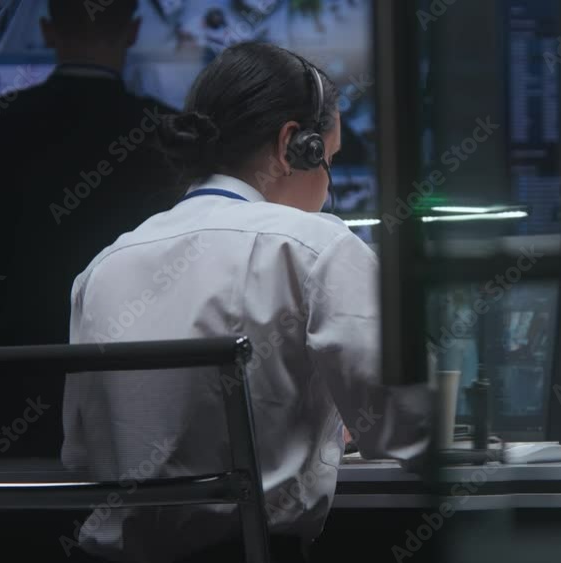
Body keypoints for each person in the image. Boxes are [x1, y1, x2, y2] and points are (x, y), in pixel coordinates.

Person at [61, 42, 429, 563]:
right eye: (330, 160)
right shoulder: (315, 247)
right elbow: (410, 429)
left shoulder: (103, 267)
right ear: (292, 145)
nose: (327, 188)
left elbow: (82, 454)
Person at [0, 0, 179, 457]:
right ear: (134, 31)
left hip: (12, 388)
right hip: (141, 388)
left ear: (46, 30)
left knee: (23, 518)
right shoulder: (167, 133)